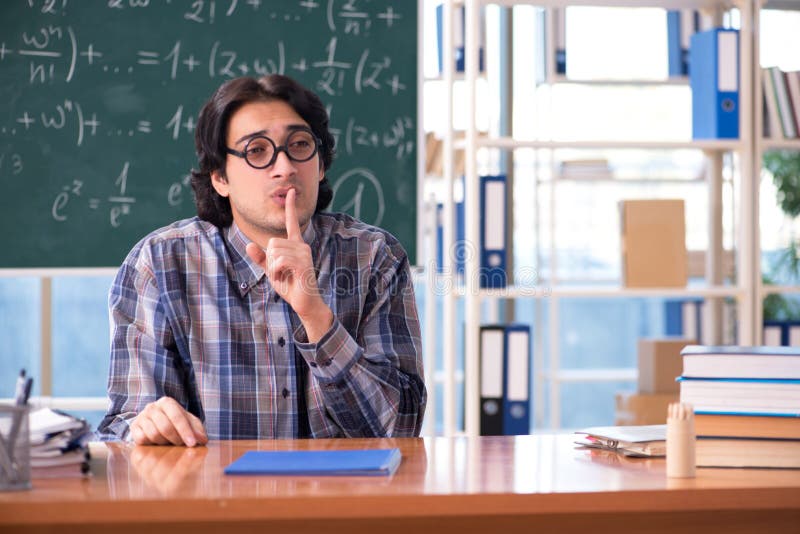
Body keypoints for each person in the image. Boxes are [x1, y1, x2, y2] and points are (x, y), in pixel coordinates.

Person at [97, 74, 426, 445]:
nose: (285, 167)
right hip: (212, 501)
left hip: (340, 502)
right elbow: (124, 430)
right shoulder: (159, 265)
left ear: (319, 166)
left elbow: (401, 430)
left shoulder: (374, 258)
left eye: (300, 145)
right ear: (220, 176)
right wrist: (146, 427)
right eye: (257, 150)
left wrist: (316, 316)